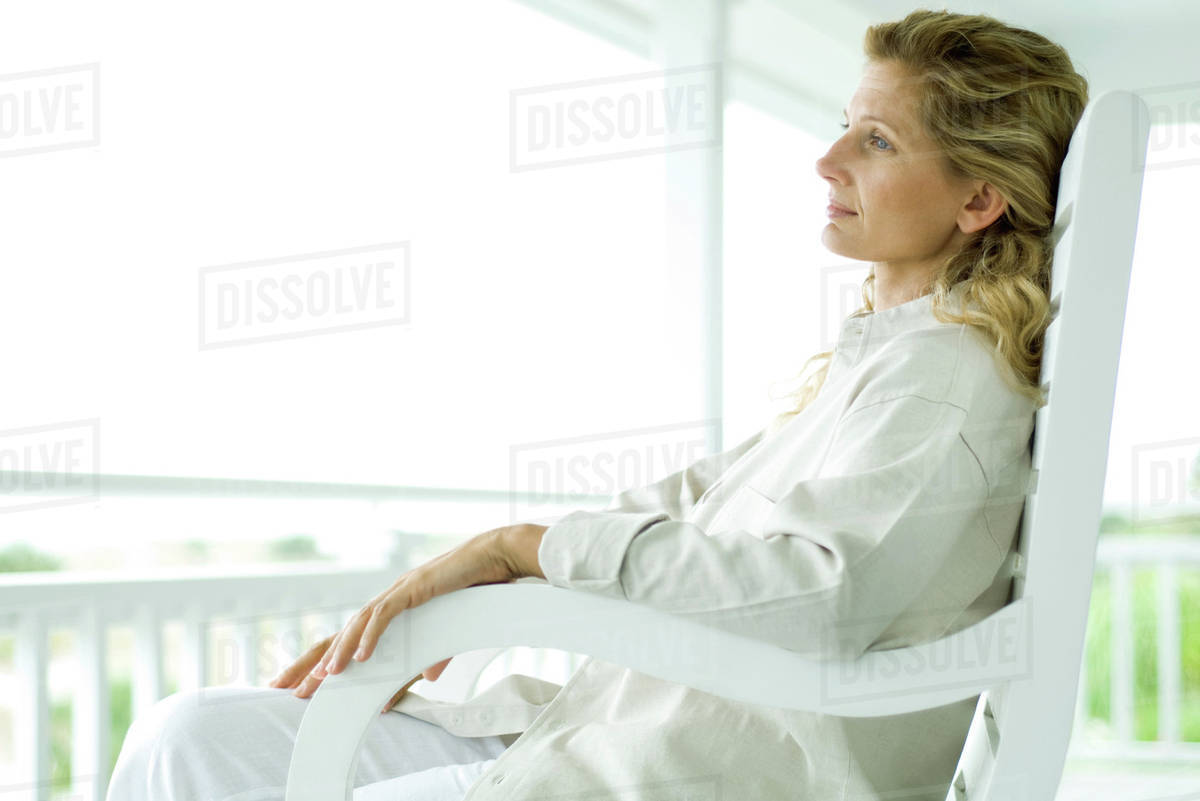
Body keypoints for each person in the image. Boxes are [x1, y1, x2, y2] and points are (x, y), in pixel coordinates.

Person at [106, 8, 1088, 801]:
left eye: (875, 140)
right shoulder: (877, 363)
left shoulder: (946, 382)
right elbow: (690, 503)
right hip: (596, 730)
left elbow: (819, 598)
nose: (828, 159)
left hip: (679, 774)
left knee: (198, 758)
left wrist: (525, 549)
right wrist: (486, 559)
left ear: (977, 202)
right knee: (191, 735)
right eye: (843, 123)